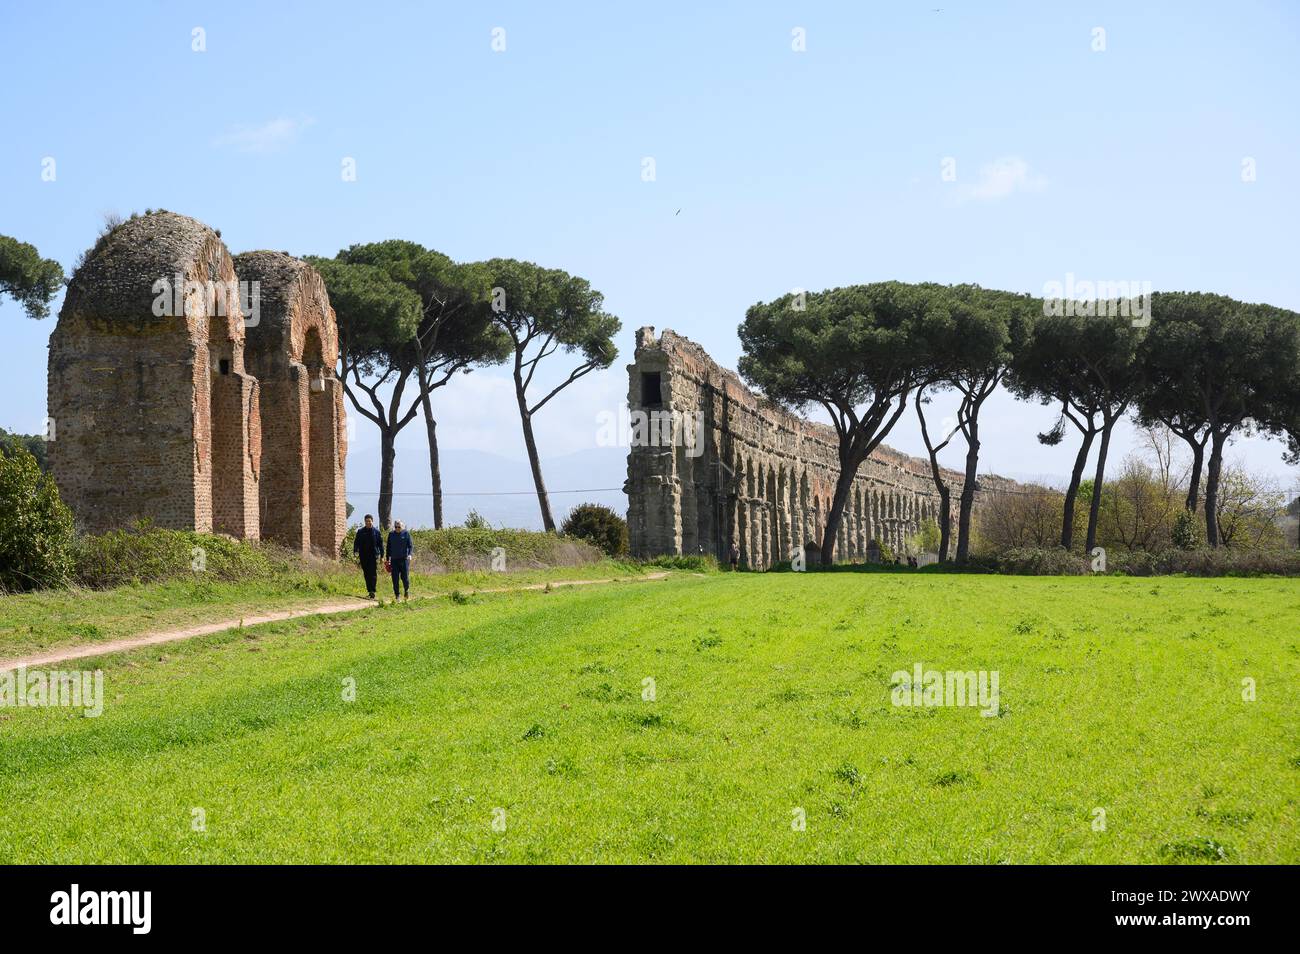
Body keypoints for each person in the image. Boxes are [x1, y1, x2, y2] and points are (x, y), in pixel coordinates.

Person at [352, 514, 384, 599]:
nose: (368, 523)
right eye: (366, 521)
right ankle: (369, 591)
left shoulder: (376, 532)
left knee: (373, 573)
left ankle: (373, 591)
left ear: (372, 521)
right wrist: (355, 551)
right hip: (363, 555)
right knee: (366, 573)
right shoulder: (360, 531)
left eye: (369, 521)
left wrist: (382, 556)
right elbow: (356, 542)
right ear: (364, 522)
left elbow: (381, 545)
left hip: (373, 555)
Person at [386, 519, 415, 601]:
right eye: (396, 527)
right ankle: (397, 595)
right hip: (394, 560)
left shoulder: (406, 534)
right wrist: (387, 559)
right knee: (395, 578)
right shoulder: (391, 534)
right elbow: (388, 547)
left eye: (399, 527)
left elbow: (410, 546)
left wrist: (409, 554)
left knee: (405, 578)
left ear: (402, 526)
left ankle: (406, 590)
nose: (397, 528)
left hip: (404, 560)